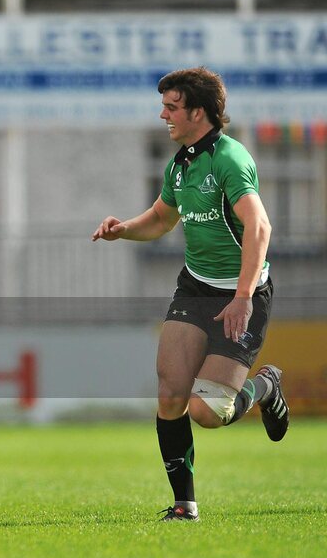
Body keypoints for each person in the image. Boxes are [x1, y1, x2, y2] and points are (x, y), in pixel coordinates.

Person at [92, 67, 288, 522]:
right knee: (169, 395)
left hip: (243, 296)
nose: (163, 115)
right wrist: (124, 230)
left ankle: (266, 386)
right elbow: (162, 219)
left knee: (206, 411)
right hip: (195, 288)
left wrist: (242, 297)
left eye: (172, 107)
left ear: (198, 112)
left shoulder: (229, 159)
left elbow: (260, 226)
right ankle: (185, 504)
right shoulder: (180, 163)